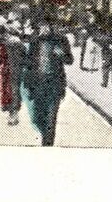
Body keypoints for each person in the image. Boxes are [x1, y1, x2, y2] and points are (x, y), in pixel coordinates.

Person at [22, 15, 75, 146]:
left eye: (46, 26)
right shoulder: (35, 41)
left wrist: (61, 54)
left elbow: (70, 60)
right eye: (41, 26)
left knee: (51, 118)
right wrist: (28, 85)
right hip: (38, 84)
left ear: (52, 27)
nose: (43, 29)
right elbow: (28, 64)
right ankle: (45, 136)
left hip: (54, 84)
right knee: (37, 117)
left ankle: (47, 145)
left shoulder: (61, 40)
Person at [0, 22, 25, 125]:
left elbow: (0, 59)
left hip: (7, 71)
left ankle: (12, 115)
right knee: (14, 92)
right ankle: (14, 115)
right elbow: (25, 58)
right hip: (16, 71)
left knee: (9, 92)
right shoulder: (20, 44)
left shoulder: (5, 44)